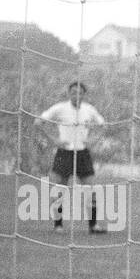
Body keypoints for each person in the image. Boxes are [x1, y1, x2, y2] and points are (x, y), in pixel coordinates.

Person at [37, 80, 107, 232]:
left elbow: (103, 126)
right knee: (60, 189)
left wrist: (93, 140)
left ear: (84, 95)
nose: (77, 95)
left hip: (82, 153)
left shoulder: (89, 109)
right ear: (69, 93)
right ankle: (58, 226)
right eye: (73, 92)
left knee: (91, 190)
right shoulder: (60, 108)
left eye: (80, 92)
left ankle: (93, 226)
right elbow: (39, 122)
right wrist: (54, 140)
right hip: (65, 153)